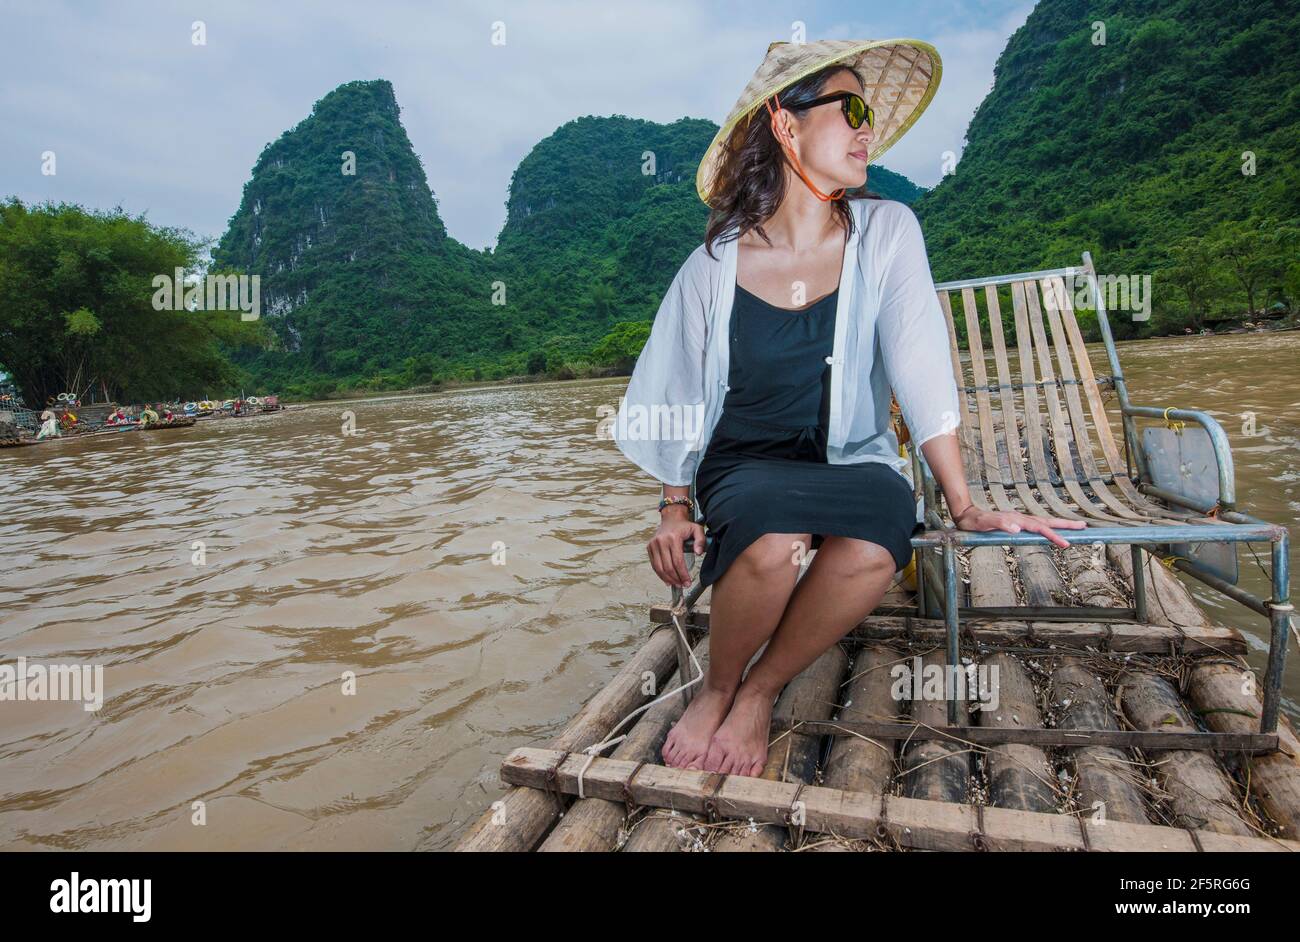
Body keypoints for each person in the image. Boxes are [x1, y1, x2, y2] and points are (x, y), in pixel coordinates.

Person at [612, 39, 1087, 778]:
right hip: (747, 463)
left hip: (850, 457)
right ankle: (719, 686)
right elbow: (671, 385)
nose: (869, 131)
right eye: (853, 110)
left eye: (872, 115)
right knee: (773, 541)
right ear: (786, 124)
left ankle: (760, 691)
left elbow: (919, 361)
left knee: (875, 536)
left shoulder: (888, 231)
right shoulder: (715, 262)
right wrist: (675, 505)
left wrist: (963, 504)